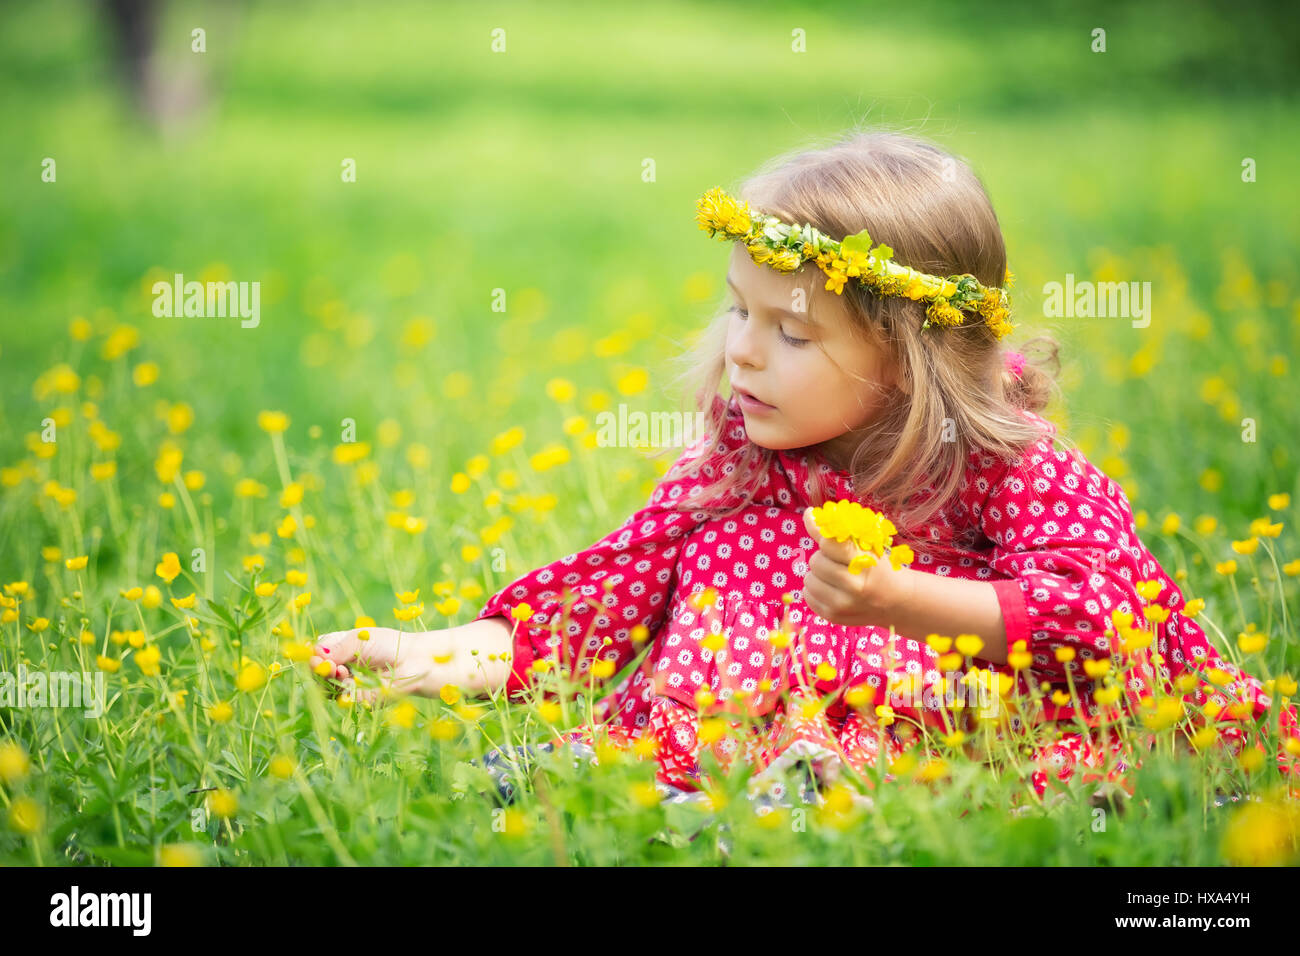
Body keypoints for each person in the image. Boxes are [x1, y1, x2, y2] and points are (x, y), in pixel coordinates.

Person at [312, 130, 1300, 806]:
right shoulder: (732, 472)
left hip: (945, 751)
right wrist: (430, 654)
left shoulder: (1013, 471)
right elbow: (592, 605)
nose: (741, 350)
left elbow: (1097, 620)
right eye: (736, 309)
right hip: (726, 748)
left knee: (1037, 783)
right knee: (572, 777)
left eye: (790, 330)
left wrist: (898, 597)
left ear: (909, 354)